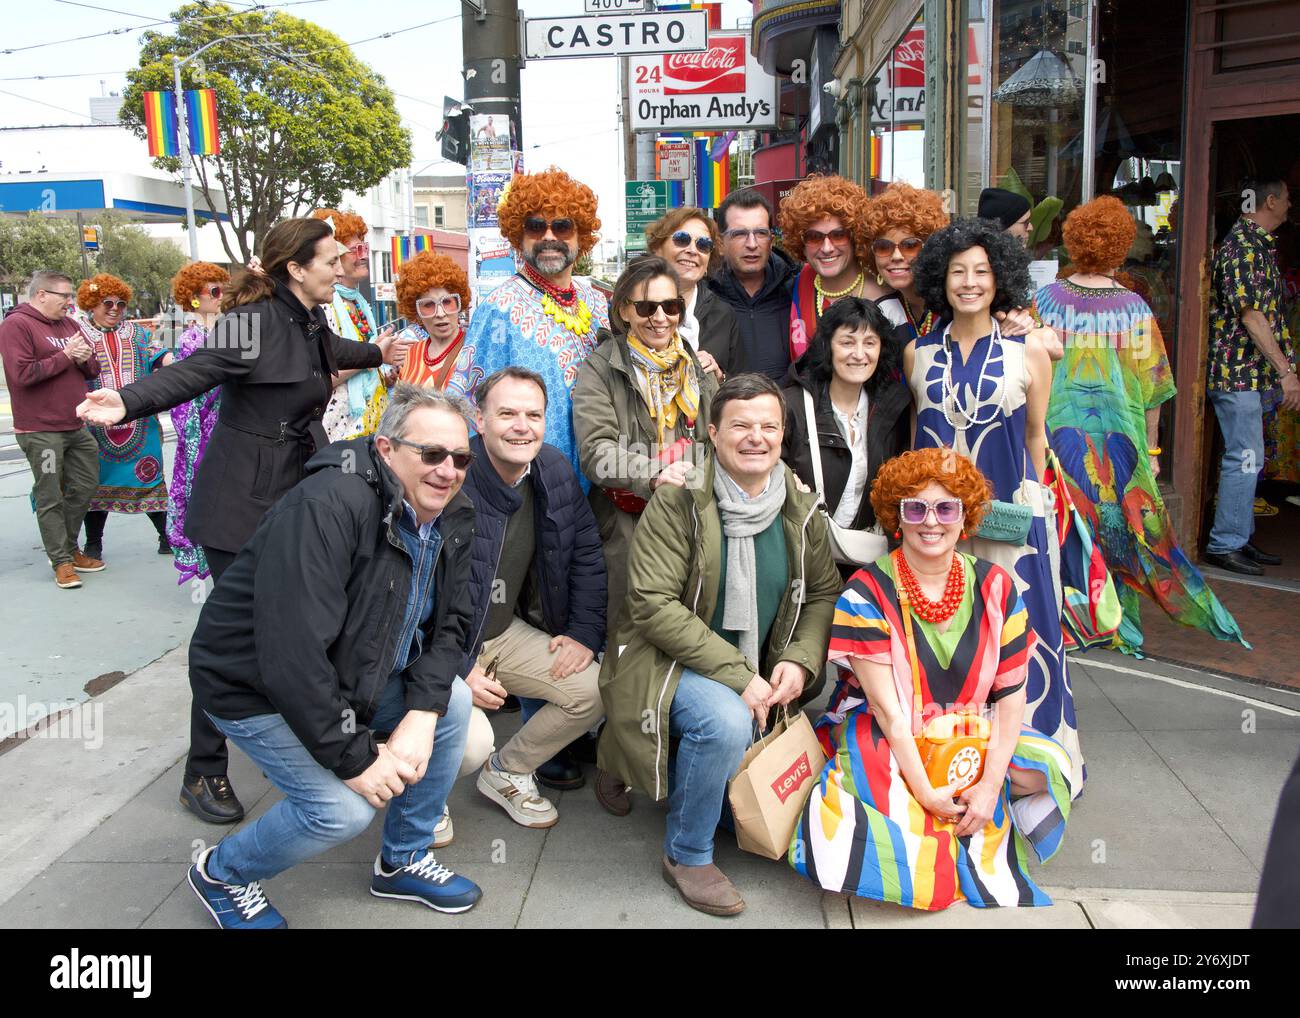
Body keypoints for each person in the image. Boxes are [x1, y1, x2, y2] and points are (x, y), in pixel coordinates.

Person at [77, 216, 413, 826]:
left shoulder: (305, 315)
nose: (341, 268)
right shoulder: (252, 322)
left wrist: (377, 353)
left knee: (299, 624)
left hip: (292, 490)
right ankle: (202, 770)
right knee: (235, 638)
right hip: (240, 504)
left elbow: (330, 352)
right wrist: (126, 399)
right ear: (296, 268)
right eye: (331, 260)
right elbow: (196, 372)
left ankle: (301, 736)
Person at [184, 384, 482, 928]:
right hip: (250, 686)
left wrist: (422, 711)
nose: (448, 470)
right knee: (341, 810)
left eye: (461, 457)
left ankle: (404, 858)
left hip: (348, 675)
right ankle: (222, 872)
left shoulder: (452, 512)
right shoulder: (330, 503)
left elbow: (453, 628)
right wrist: (356, 758)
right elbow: (291, 655)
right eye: (432, 454)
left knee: (453, 701)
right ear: (388, 450)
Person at [597, 373, 840, 917]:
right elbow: (654, 606)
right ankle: (687, 854)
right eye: (741, 425)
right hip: (668, 659)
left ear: (782, 434)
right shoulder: (678, 501)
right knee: (727, 721)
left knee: (748, 790)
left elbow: (824, 592)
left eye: (768, 426)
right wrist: (740, 677)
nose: (756, 436)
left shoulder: (799, 505)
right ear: (712, 432)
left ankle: (646, 756)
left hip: (758, 664)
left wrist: (801, 661)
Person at [789, 448, 1073, 909]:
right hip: (884, 729)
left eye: (946, 508)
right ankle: (919, 824)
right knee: (897, 838)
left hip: (967, 725)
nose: (931, 522)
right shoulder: (865, 591)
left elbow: (1011, 699)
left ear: (966, 517)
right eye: (915, 508)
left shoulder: (998, 587)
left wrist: (988, 785)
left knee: (1049, 764)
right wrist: (923, 791)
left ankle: (971, 802)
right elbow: (887, 710)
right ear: (896, 517)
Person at [905, 217, 1082, 794]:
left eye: (981, 271)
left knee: (1016, 632)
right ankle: (950, 755)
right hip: (934, 525)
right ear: (940, 280)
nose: (970, 282)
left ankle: (1025, 760)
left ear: (999, 277)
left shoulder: (1030, 350)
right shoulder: (915, 354)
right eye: (957, 271)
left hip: (1009, 516)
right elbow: (915, 437)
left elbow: (1035, 438)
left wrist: (1037, 510)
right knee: (947, 631)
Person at [1039, 196, 1246, 653]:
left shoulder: (1043, 301)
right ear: (1120, 246)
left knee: (1068, 526)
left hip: (1056, 437)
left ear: (1073, 241)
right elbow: (1155, 389)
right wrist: (1151, 452)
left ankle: (1071, 618)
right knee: (1125, 529)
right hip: (1121, 439)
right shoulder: (1134, 308)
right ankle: (1117, 622)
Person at [459, 367, 608, 828]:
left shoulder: (552, 467)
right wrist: (454, 667)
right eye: (506, 413)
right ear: (479, 420)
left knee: (591, 691)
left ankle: (507, 771)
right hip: (436, 645)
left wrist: (583, 633)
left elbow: (585, 549)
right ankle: (419, 808)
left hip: (501, 632)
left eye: (533, 415)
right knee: (465, 742)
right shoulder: (451, 475)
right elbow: (407, 590)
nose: (521, 426)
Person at [573, 256, 719, 630]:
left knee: (692, 626)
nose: (659, 317)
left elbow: (719, 436)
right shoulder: (601, 367)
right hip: (628, 524)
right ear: (624, 309)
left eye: (670, 307)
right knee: (634, 635)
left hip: (691, 517)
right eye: (646, 307)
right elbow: (596, 452)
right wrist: (655, 473)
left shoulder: (695, 367)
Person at [460, 167, 610, 478]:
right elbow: (470, 404)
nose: (549, 237)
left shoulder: (597, 302)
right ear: (519, 236)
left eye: (563, 226)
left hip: (601, 484)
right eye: (536, 226)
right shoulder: (500, 307)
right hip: (529, 485)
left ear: (581, 235)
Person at [1205, 175, 1297, 575]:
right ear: (1271, 202)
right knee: (1243, 458)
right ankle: (1224, 543)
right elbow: (1252, 316)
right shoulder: (1243, 248)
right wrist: (1286, 371)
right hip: (1236, 373)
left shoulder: (1255, 246)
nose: (1291, 205)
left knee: (1249, 459)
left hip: (1249, 376)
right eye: (1288, 199)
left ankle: (1238, 535)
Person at [780, 297, 910, 564]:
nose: (859, 354)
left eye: (870, 343)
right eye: (847, 342)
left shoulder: (893, 408)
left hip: (864, 557)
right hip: (801, 556)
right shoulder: (791, 405)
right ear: (828, 346)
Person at [0, 270, 103, 589]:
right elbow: (21, 376)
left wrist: (85, 359)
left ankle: (68, 546)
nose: (70, 303)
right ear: (41, 294)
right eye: (65, 296)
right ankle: (61, 560)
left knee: (87, 485)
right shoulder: (16, 325)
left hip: (75, 424)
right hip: (40, 430)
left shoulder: (70, 325)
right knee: (49, 495)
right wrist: (66, 356)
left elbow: (92, 368)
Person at [72, 274, 171, 560]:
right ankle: (94, 544)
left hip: (140, 423)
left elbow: (159, 357)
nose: (115, 308)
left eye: (121, 303)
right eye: (108, 302)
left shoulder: (138, 334)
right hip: (95, 426)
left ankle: (166, 537)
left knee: (150, 478)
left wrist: (189, 360)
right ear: (92, 304)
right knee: (95, 483)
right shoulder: (78, 335)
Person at [165, 261, 229, 585]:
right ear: (194, 298)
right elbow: (189, 395)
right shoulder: (191, 338)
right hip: (202, 431)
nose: (221, 295)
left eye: (223, 288)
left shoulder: (229, 329)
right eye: (214, 290)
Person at [779, 174, 887, 363]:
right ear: (800, 242)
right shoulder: (795, 286)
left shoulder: (887, 299)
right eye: (814, 237)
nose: (827, 248)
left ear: (855, 237)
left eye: (838, 235)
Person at [361, 251, 475, 431]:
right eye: (428, 305)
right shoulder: (412, 354)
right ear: (416, 311)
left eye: (447, 302)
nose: (440, 313)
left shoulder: (474, 350)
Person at [708, 188, 799, 381]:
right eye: (740, 234)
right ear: (721, 243)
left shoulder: (796, 290)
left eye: (760, 233)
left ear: (771, 241)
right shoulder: (704, 295)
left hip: (788, 409)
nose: (752, 243)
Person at [645, 206, 745, 380]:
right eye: (682, 239)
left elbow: (740, 385)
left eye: (703, 245)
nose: (693, 250)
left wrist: (720, 377)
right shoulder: (635, 308)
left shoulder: (723, 314)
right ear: (657, 249)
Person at [311, 208, 384, 441]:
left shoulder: (359, 303)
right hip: (337, 433)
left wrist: (383, 370)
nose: (363, 255)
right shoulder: (323, 307)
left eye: (365, 247)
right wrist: (374, 355)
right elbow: (318, 380)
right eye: (355, 250)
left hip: (370, 428)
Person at [863, 183, 951, 340]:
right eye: (883, 247)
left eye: (910, 245)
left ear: (931, 247)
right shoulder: (882, 310)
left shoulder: (954, 300)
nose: (896, 256)